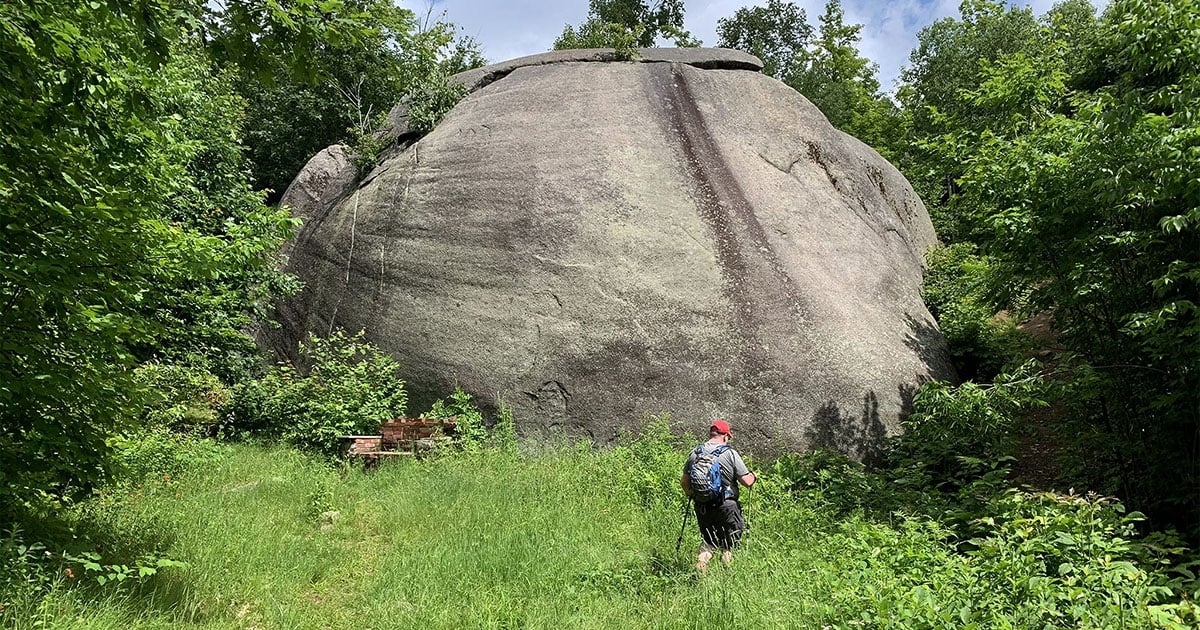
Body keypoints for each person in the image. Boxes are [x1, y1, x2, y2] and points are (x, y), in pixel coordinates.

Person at [680, 419, 757, 572]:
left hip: (703, 505)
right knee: (729, 544)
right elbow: (747, 482)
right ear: (725, 436)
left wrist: (694, 495)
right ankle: (727, 576)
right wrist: (754, 476)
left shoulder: (695, 453)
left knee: (709, 541)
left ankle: (701, 564)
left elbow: (684, 482)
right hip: (727, 505)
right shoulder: (730, 454)